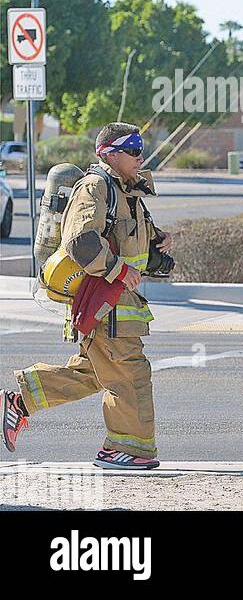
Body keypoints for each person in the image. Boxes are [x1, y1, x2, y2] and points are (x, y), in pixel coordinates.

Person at [6, 122, 173, 469]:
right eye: (133, 149)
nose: (140, 155)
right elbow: (81, 242)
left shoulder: (129, 193)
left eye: (141, 148)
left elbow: (131, 247)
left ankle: (21, 402)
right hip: (105, 307)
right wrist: (120, 272)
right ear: (109, 153)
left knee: (95, 373)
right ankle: (124, 449)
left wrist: (158, 244)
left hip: (121, 306)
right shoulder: (96, 187)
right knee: (130, 376)